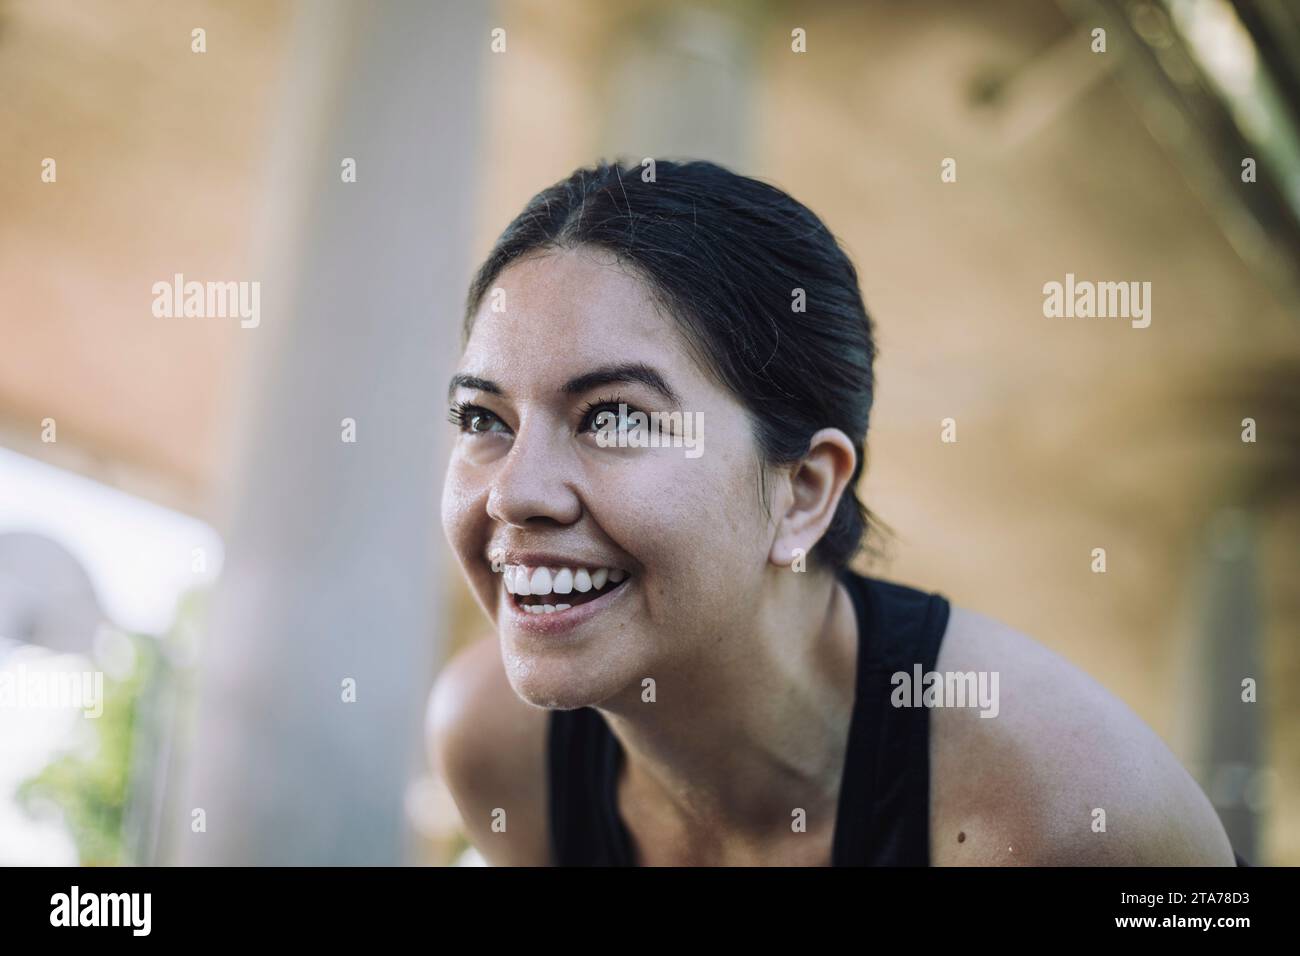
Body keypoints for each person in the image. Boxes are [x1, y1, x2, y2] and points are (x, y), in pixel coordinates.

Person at [427, 159, 1240, 866]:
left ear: (804, 491)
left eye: (615, 418)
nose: (514, 492)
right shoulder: (497, 747)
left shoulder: (1070, 820)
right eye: (484, 420)